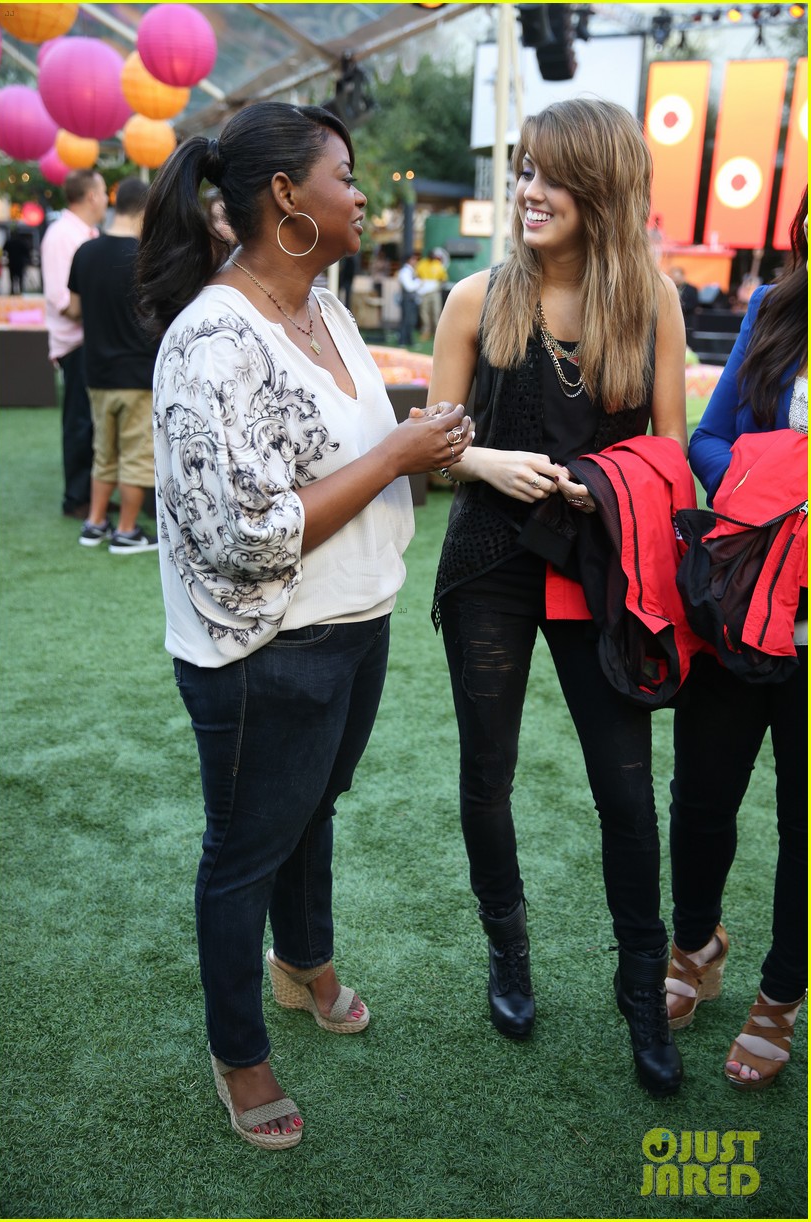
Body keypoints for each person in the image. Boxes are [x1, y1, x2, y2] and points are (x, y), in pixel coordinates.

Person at [136, 101, 471, 1150]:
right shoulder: (212, 340)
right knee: (244, 851)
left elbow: (344, 449)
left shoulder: (321, 305)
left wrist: (419, 438)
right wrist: (396, 458)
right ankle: (239, 1051)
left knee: (312, 813)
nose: (364, 193)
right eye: (347, 173)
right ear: (288, 198)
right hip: (262, 651)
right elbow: (243, 536)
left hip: (355, 627)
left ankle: (303, 963)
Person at [427, 99, 688, 1096]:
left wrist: (606, 481)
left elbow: (668, 452)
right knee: (484, 772)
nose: (529, 191)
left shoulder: (651, 300)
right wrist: (492, 461)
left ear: (600, 188)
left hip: (604, 566)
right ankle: (509, 952)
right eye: (524, 171)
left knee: (624, 790)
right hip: (490, 559)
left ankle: (638, 989)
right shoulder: (473, 299)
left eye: (550, 174)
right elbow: (433, 445)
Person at [665, 188, 808, 1090]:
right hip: (738, 605)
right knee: (699, 800)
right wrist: (768, 480)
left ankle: (778, 999)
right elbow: (708, 439)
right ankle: (694, 944)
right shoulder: (774, 304)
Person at [66, 177, 159, 554]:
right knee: (137, 456)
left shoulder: (84, 252)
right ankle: (125, 531)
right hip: (137, 375)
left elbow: (73, 309)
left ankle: (95, 523)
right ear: (144, 211)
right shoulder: (145, 258)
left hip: (97, 372)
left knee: (104, 454)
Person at [40, 168, 109, 518]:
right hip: (75, 344)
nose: (106, 198)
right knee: (80, 422)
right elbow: (61, 300)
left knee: (94, 422)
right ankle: (77, 498)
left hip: (90, 339)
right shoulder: (61, 235)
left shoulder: (84, 232)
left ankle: (92, 494)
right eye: (103, 191)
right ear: (92, 195)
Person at [415, 248, 448, 339]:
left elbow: (443, 278)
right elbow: (417, 276)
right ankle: (426, 331)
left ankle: (437, 333)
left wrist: (438, 286)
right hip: (424, 292)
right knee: (424, 312)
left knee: (436, 311)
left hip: (434, 292)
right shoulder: (422, 263)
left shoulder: (438, 265)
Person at [668, 265, 698, 343]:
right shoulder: (669, 288)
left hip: (687, 322)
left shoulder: (691, 289)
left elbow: (693, 304)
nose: (675, 279)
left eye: (677, 277)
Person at [397, 251, 421, 345]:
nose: (415, 261)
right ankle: (402, 342)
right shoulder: (405, 272)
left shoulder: (410, 271)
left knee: (410, 321)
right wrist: (418, 283)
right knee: (406, 321)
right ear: (409, 260)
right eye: (414, 259)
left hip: (411, 299)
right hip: (407, 299)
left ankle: (408, 341)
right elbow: (409, 287)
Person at [3, 227, 31, 295]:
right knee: (20, 277)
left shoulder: (10, 241)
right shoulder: (22, 241)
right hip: (20, 262)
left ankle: (12, 291)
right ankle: (20, 290)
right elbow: (27, 252)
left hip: (12, 261)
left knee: (12, 277)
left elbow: (4, 250)